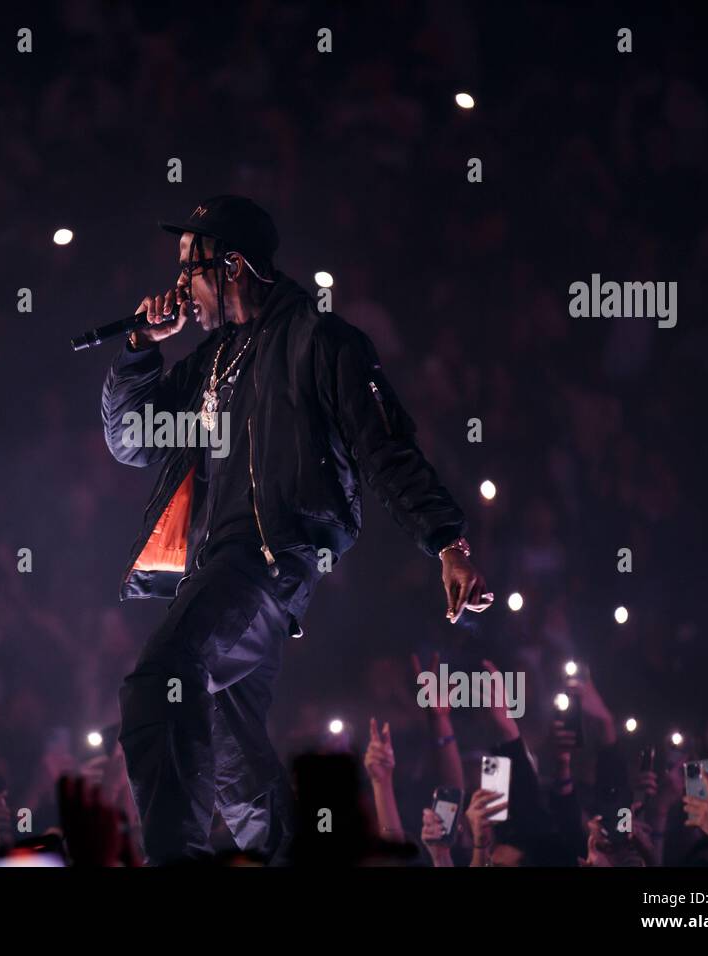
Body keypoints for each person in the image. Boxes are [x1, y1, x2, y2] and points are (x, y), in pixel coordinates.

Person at [101, 195, 493, 865]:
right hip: (217, 569)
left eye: (190, 271)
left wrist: (446, 541)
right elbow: (132, 440)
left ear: (232, 267)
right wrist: (140, 349)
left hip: (266, 563)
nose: (180, 288)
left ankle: (177, 861)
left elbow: (384, 449)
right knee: (232, 759)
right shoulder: (213, 360)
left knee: (161, 680)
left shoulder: (321, 340)